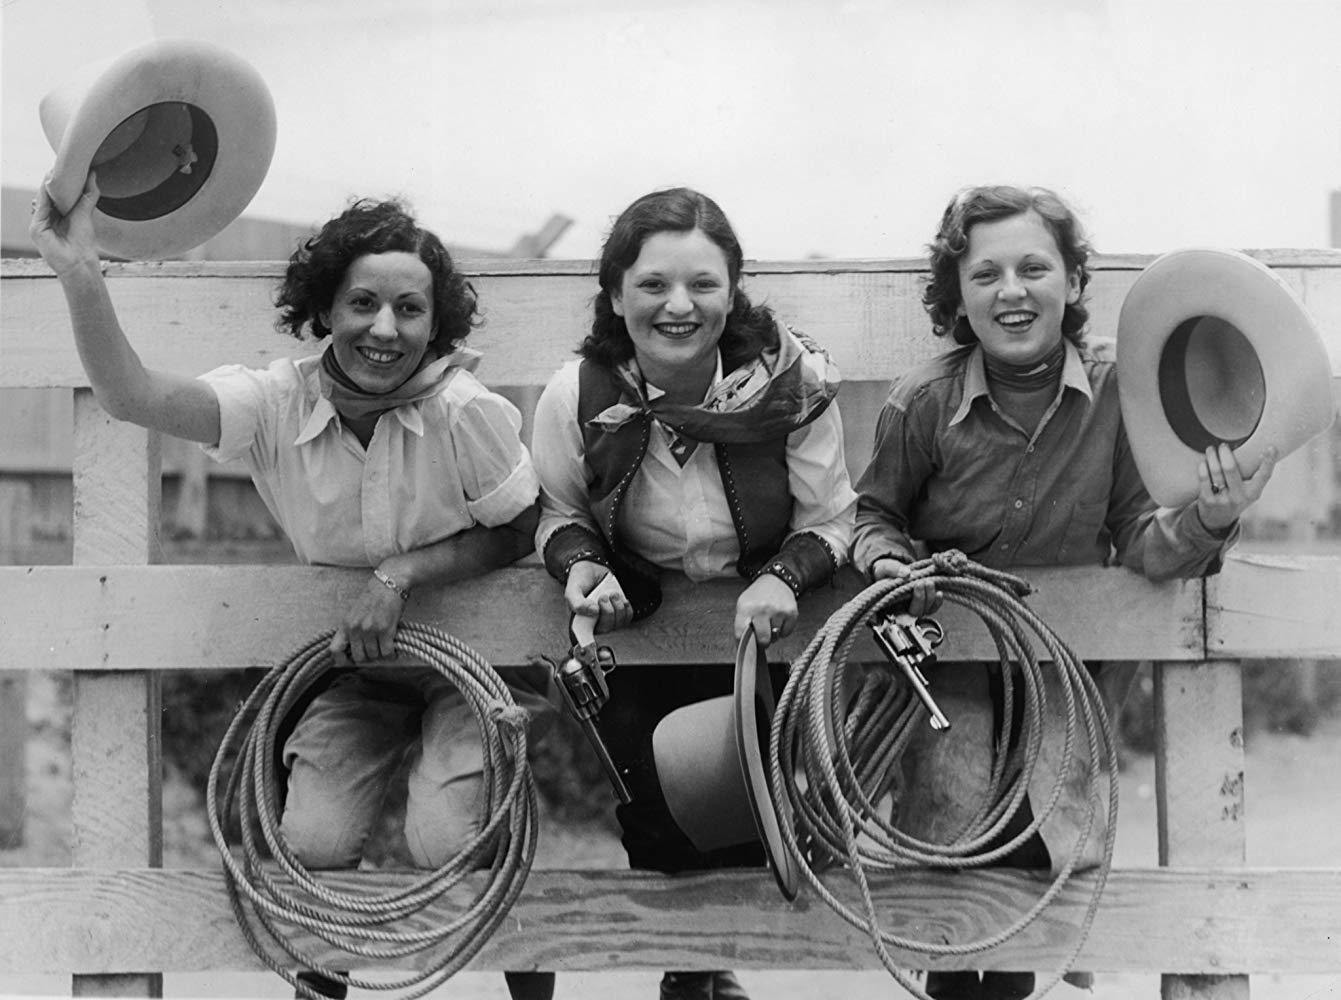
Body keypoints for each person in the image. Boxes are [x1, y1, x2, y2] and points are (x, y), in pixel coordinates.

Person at [30, 179, 556, 1000]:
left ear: (434, 322)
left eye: (410, 310)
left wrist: (402, 575)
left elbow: (523, 528)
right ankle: (321, 992)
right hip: (355, 666)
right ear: (327, 307)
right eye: (363, 303)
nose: (385, 330)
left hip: (478, 660)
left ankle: (532, 985)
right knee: (309, 839)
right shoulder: (276, 403)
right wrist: (79, 272)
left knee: (447, 833)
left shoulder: (465, 411)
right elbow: (129, 395)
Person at [851, 184, 1276, 1000]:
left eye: (1033, 267)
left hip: (1061, 679)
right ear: (958, 297)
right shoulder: (921, 403)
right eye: (985, 275)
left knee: (1031, 865)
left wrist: (1208, 519)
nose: (1011, 291)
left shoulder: (1119, 395)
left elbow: (1141, 541)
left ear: (1073, 283)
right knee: (950, 858)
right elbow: (875, 517)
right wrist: (885, 565)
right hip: (950, 679)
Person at [532, 187, 857, 1000]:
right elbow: (557, 511)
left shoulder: (791, 386)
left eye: (702, 285)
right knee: (656, 809)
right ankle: (694, 967)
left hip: (758, 623)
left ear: (732, 290)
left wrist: (788, 575)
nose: (678, 306)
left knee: (745, 803)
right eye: (652, 285)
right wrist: (580, 565)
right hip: (637, 619)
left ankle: (708, 964)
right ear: (615, 295)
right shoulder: (577, 393)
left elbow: (833, 519)